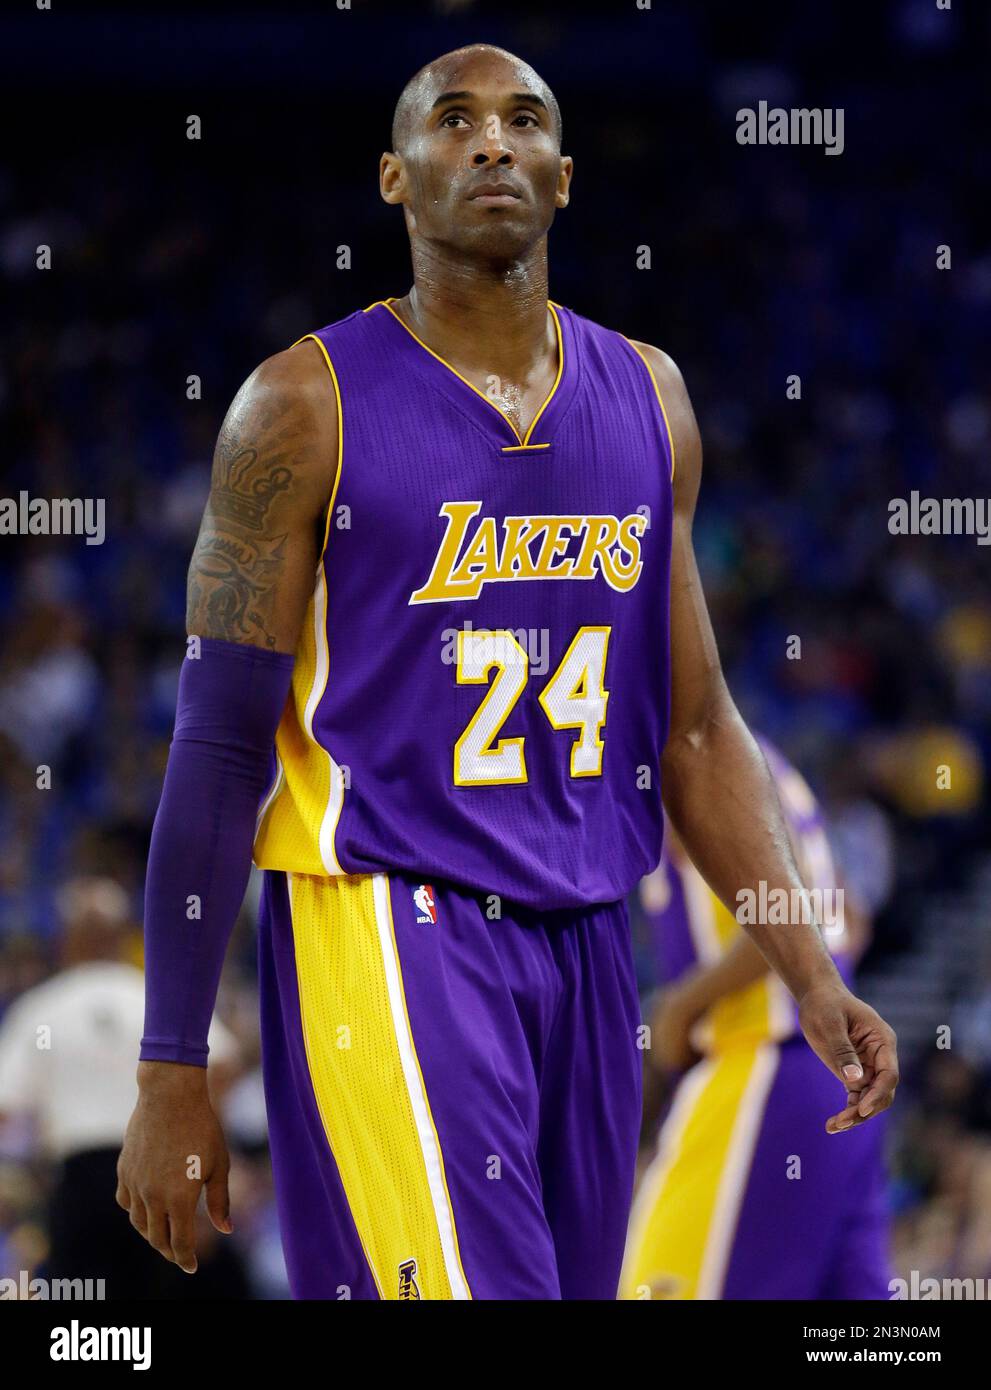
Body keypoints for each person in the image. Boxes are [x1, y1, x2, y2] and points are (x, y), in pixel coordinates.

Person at [118, 44, 898, 1301]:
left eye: (523, 121)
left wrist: (806, 966)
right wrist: (170, 1065)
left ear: (565, 175)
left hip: (591, 940)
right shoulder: (298, 406)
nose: (492, 142)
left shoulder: (653, 398)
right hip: (387, 909)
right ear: (396, 176)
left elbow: (694, 729)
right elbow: (215, 751)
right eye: (455, 121)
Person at [621, 741, 892, 1299]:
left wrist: (682, 1006)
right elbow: (849, 914)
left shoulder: (690, 759)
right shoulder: (764, 759)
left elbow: (796, 908)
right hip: (833, 1079)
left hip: (761, 1069)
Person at [0, 877, 239, 1297]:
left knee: (80, 1312)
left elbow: (6, 1105)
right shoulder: (154, 999)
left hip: (78, 1182)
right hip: (157, 1171)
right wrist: (198, 1167)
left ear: (68, 939)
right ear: (125, 935)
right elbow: (222, 1065)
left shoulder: (43, 1007)